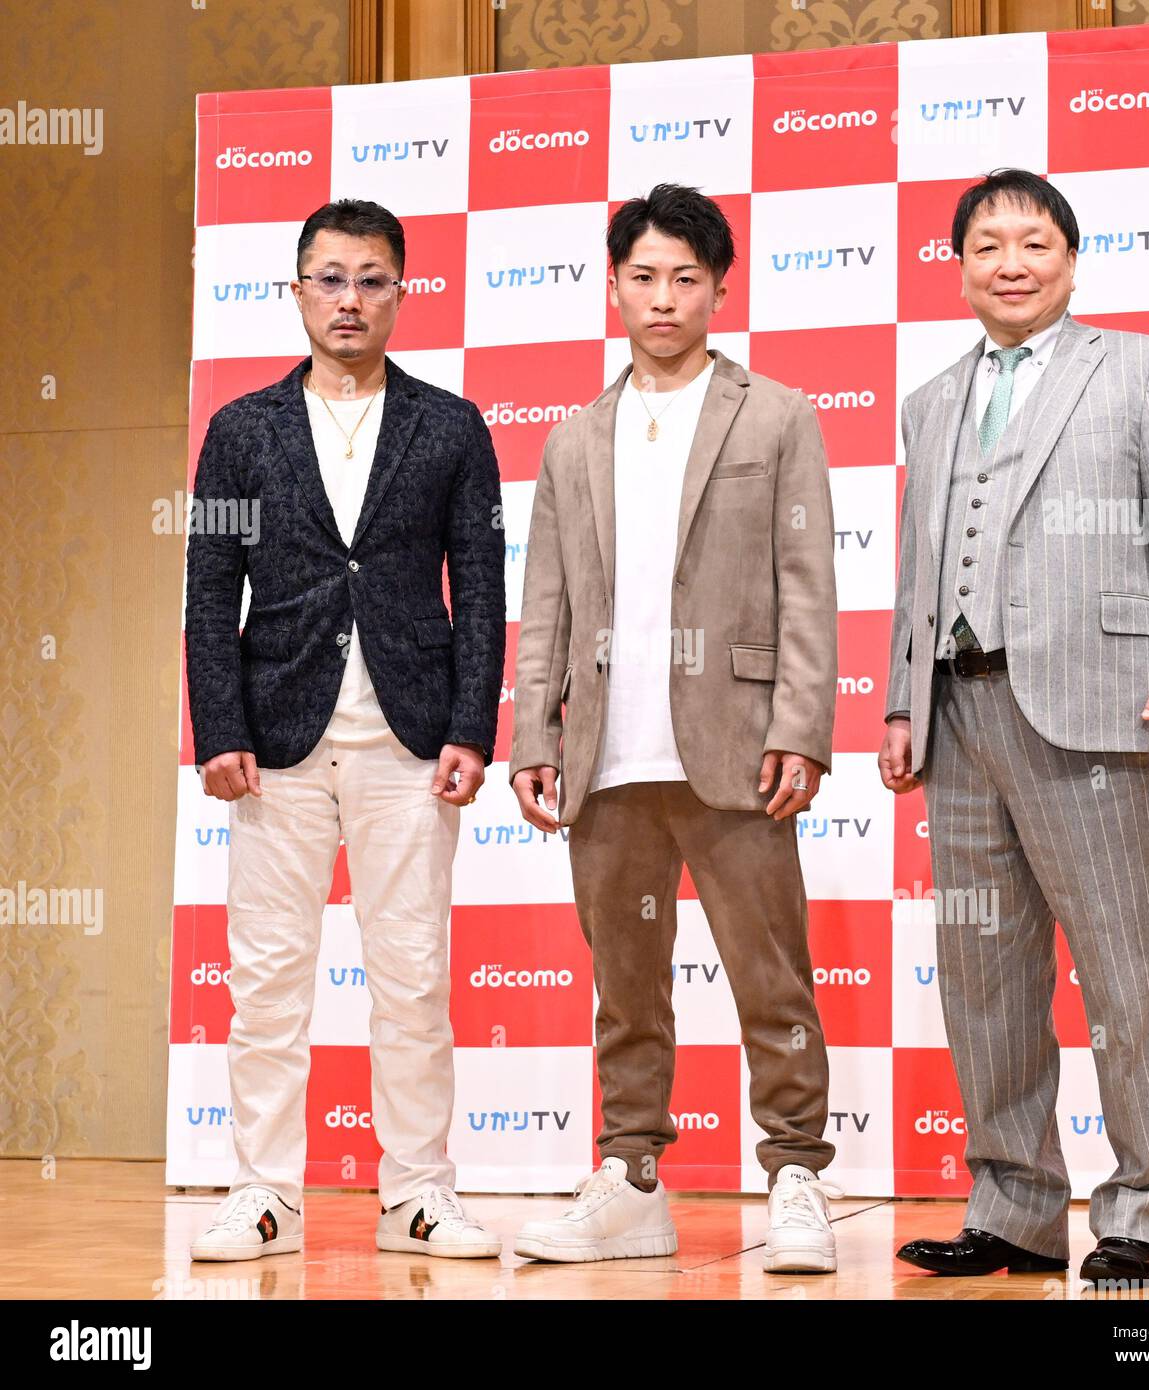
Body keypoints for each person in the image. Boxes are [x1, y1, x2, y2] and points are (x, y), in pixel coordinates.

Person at [880, 169, 1149, 1286]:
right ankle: (1014, 1206)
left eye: (1033, 242)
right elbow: (920, 563)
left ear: (1070, 259)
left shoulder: (1139, 370)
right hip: (960, 709)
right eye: (986, 245)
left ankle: (1144, 1210)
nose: (1011, 262)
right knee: (981, 975)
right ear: (958, 270)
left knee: (1125, 970)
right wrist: (902, 698)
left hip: (1099, 707)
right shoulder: (931, 398)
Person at [509, 183, 841, 1272]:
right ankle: (631, 1179)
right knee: (625, 987)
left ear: (717, 289)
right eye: (643, 276)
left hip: (736, 747)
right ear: (613, 288)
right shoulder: (571, 438)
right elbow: (545, 603)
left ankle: (794, 1171)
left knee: (770, 974)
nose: (663, 297)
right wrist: (532, 737)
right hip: (606, 752)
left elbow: (807, 586)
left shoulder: (776, 413)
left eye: (685, 278)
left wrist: (801, 725)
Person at [185, 198, 506, 1261]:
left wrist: (472, 725)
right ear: (296, 292)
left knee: (412, 972)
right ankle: (264, 1189)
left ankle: (418, 1188)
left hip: (410, 739)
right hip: (274, 738)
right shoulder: (240, 430)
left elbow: (484, 587)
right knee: (267, 976)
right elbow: (206, 591)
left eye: (371, 279)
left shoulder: (452, 425)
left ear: (401, 292)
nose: (349, 300)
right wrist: (217, 725)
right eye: (329, 278)